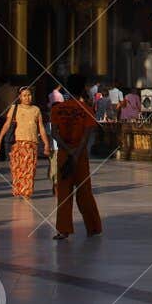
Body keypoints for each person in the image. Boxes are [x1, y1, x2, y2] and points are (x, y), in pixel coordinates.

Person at [50, 74, 102, 240]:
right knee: (85, 192)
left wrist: (68, 150)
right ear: (83, 88)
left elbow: (54, 134)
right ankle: (93, 227)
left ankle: (63, 229)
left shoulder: (57, 109)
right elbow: (86, 136)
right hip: (80, 155)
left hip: (64, 154)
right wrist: (77, 152)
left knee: (64, 193)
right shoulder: (87, 109)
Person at [0, 87, 48, 199]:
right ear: (20, 97)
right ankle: (19, 190)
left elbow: (41, 127)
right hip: (18, 144)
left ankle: (27, 193)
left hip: (32, 144)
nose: (27, 98)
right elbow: (6, 125)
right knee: (17, 169)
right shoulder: (15, 108)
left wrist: (46, 144)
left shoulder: (36, 110)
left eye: (29, 95)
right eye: (24, 95)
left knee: (30, 170)